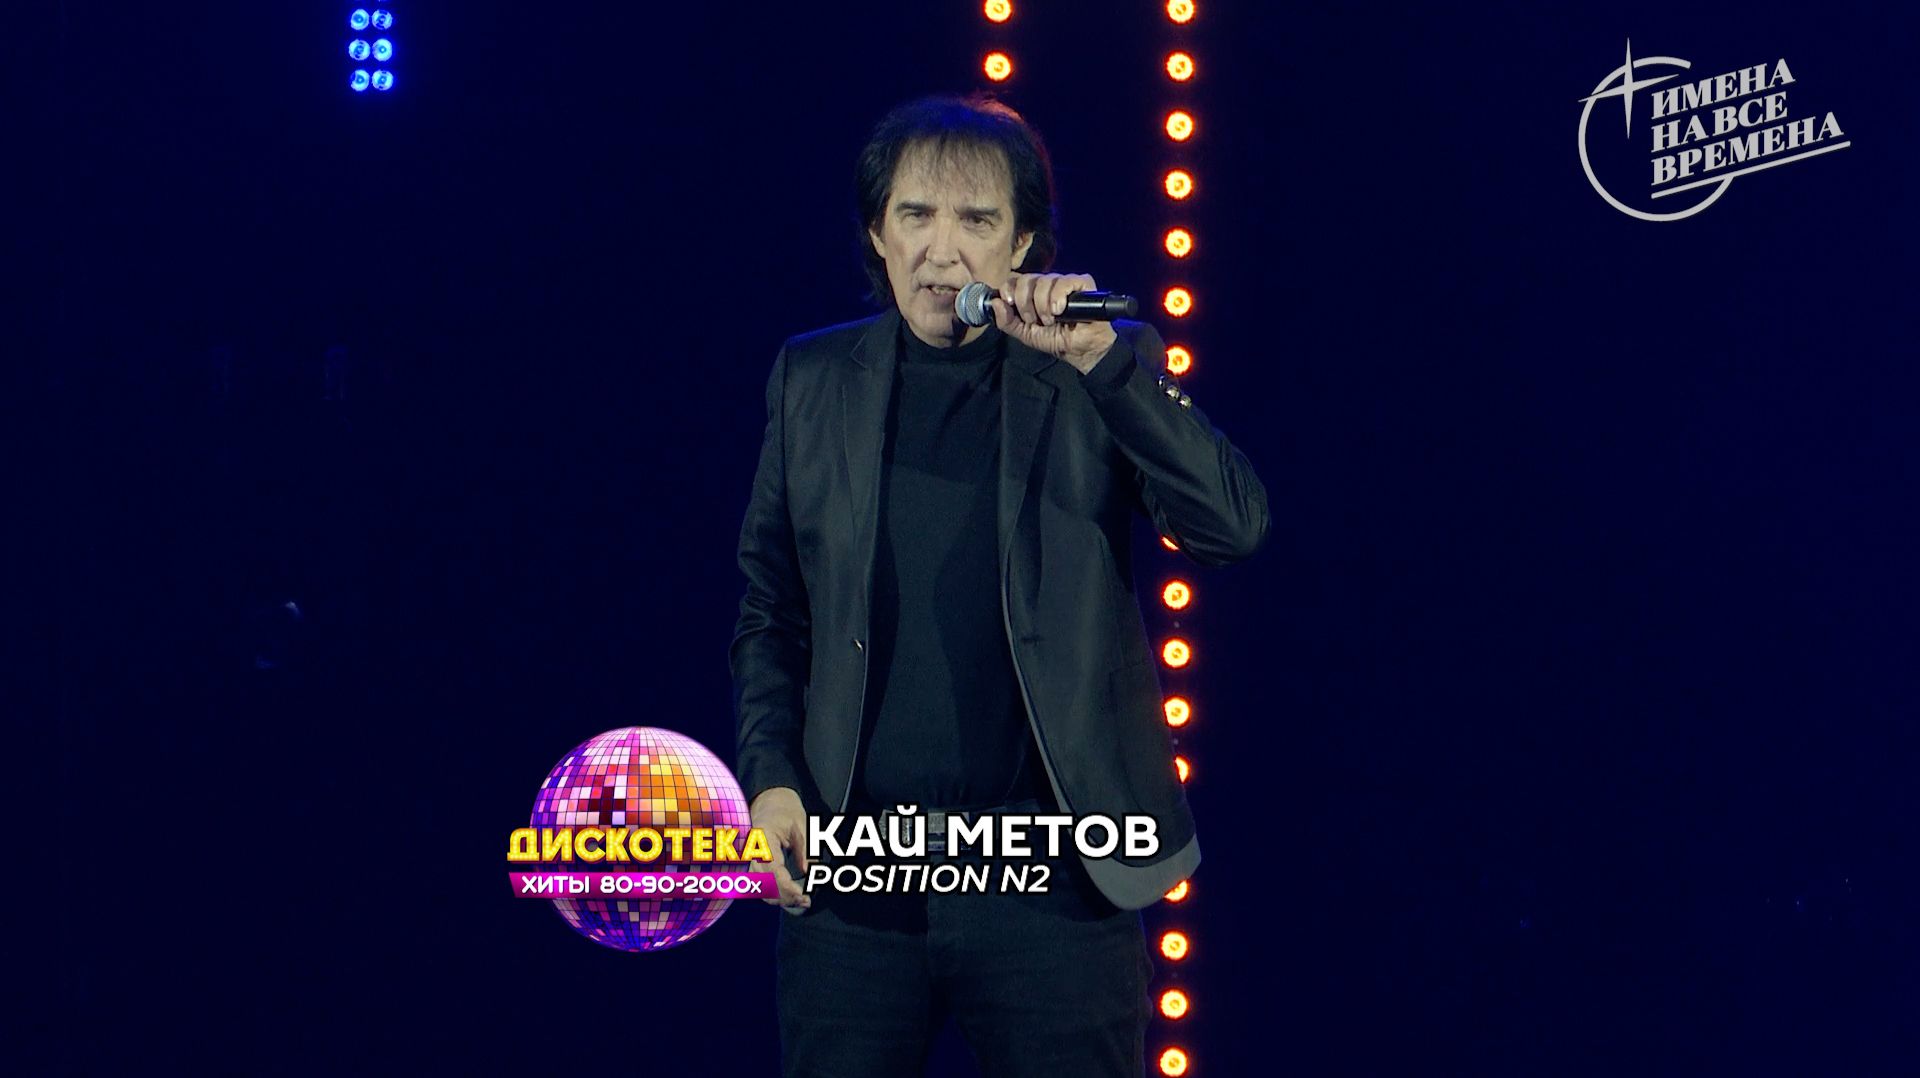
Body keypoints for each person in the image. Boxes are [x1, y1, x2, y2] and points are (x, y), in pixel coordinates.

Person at [730, 93, 1270, 1077]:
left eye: (977, 220)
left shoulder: (1092, 372)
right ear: (878, 233)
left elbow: (1232, 526)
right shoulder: (813, 378)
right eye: (915, 215)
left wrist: (1104, 365)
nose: (942, 250)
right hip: (856, 883)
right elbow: (771, 607)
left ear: (1022, 245)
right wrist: (769, 779)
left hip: (1054, 883)